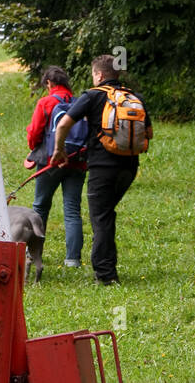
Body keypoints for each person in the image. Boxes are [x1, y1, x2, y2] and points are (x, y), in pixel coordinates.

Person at [50, 55, 152, 284]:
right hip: (129, 167)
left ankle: (106, 276)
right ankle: (107, 268)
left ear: (100, 75)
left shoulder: (93, 95)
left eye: (93, 74)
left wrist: (59, 150)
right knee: (106, 214)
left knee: (101, 218)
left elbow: (64, 123)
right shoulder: (135, 97)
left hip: (102, 169)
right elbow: (149, 133)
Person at [25, 66, 87, 266]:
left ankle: (34, 255)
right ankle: (73, 259)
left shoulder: (46, 102)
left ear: (49, 83)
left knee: (40, 206)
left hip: (49, 162)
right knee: (72, 210)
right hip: (77, 160)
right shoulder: (80, 103)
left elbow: (34, 133)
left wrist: (35, 150)